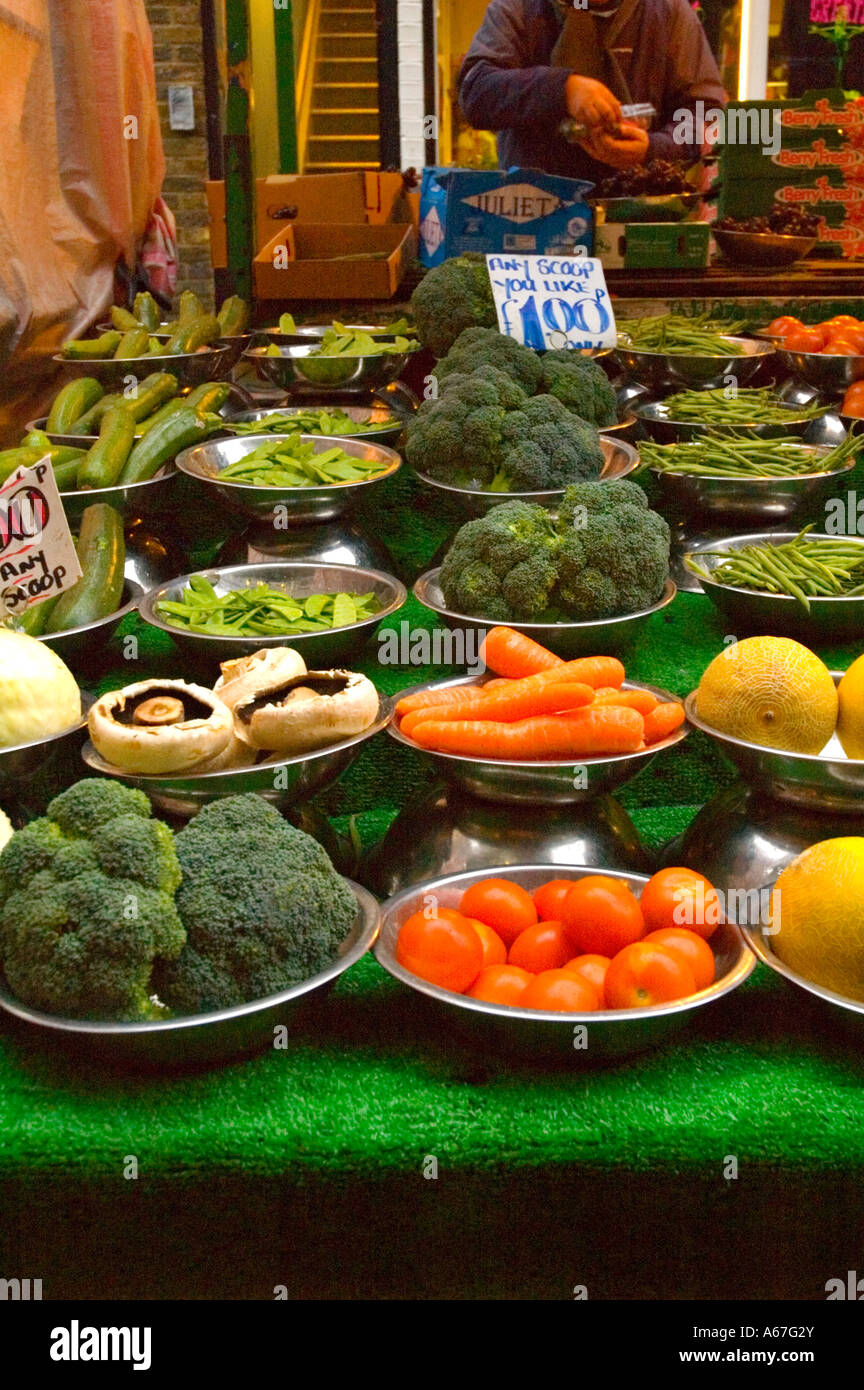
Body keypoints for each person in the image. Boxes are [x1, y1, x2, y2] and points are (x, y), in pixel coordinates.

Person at [458, 0, 726, 181]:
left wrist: (652, 150)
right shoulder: (519, 6)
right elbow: (475, 91)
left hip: (640, 217)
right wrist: (562, 89)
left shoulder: (669, 12)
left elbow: (706, 115)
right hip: (533, 220)